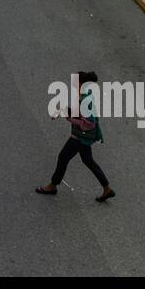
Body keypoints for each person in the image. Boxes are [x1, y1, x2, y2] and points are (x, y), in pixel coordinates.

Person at [35, 71, 115, 203]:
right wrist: (62, 111)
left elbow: (89, 123)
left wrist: (70, 119)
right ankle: (107, 189)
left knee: (63, 157)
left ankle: (52, 185)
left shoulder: (85, 99)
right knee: (88, 161)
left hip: (81, 136)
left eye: (75, 82)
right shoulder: (84, 95)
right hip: (84, 137)